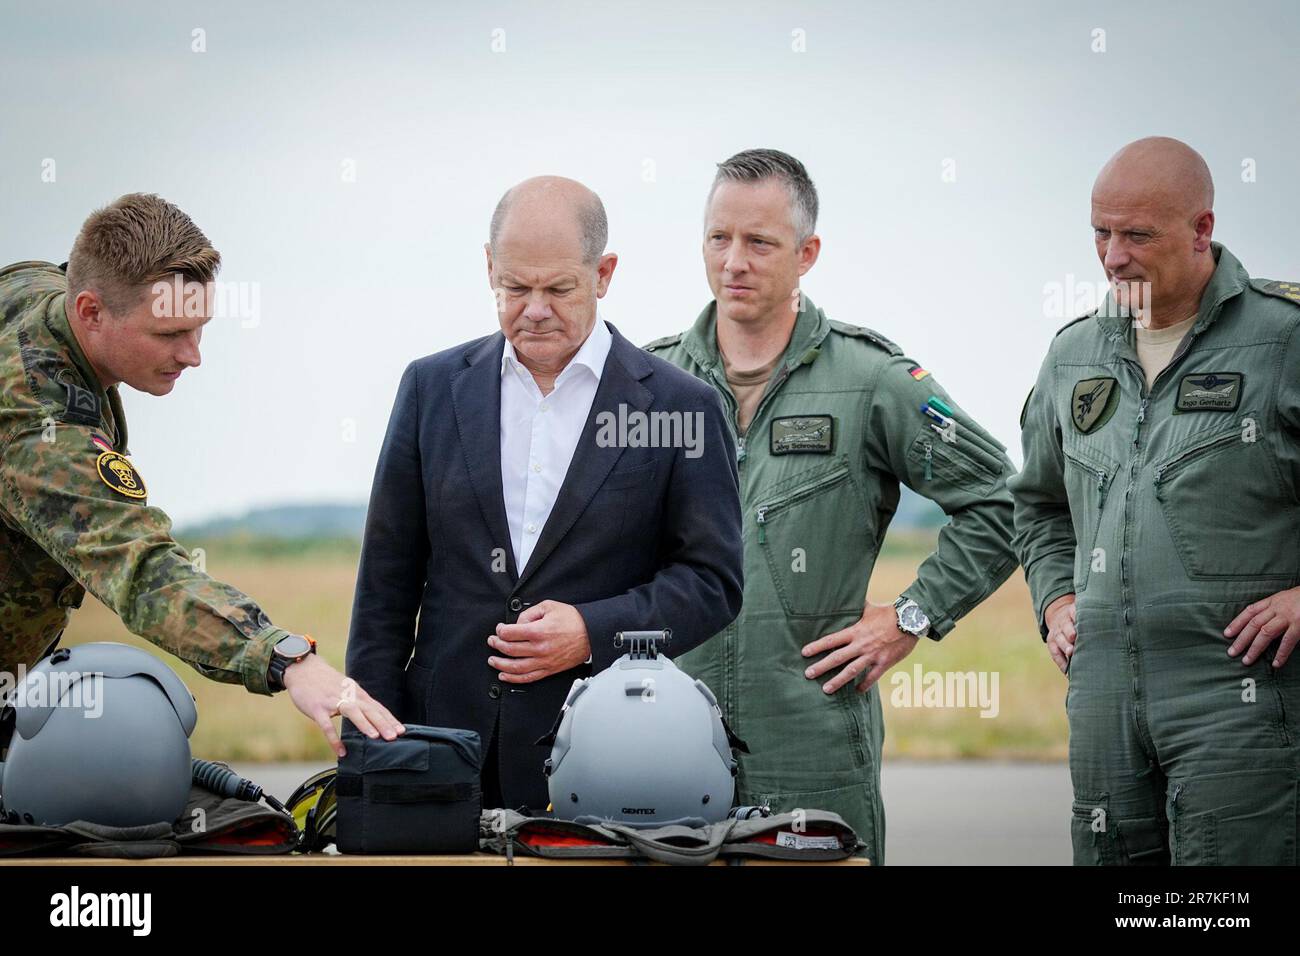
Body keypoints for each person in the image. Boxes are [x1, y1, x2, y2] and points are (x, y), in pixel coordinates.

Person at [645, 149, 1019, 862]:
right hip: (662, 738)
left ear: (807, 253)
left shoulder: (872, 379)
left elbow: (1002, 501)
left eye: (760, 242)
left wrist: (912, 616)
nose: (735, 262)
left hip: (811, 741)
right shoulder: (650, 380)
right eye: (718, 238)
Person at [346, 175, 743, 811]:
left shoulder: (681, 407)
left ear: (604, 273)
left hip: (609, 759)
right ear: (488, 267)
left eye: (558, 289)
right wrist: (370, 751)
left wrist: (594, 629)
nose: (533, 309)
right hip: (437, 753)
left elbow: (713, 581)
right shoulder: (429, 388)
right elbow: (384, 590)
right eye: (514, 287)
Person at [0, 193, 403, 758]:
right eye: (168, 334)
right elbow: (139, 569)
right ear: (90, 312)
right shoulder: (36, 420)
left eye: (199, 327)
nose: (193, 355)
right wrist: (285, 659)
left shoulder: (32, 289)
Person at [1010, 136, 1300, 865]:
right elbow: (1039, 503)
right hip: (1105, 706)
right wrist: (1053, 601)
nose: (1112, 257)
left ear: (1202, 230)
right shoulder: (1073, 355)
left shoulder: (1282, 340)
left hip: (1240, 700)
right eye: (1100, 233)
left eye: (1136, 235)